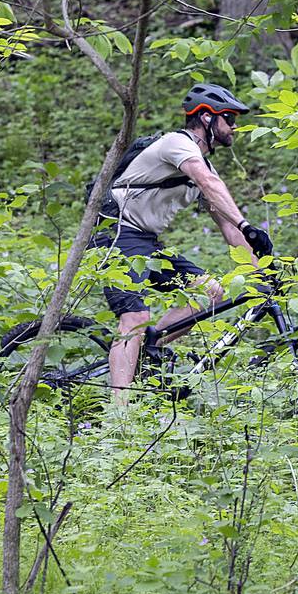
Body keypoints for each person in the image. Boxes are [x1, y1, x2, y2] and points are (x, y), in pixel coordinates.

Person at [92, 82, 273, 403]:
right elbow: (209, 183)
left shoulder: (202, 165)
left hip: (144, 240)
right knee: (135, 317)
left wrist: (261, 274)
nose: (234, 127)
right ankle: (118, 415)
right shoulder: (177, 144)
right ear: (206, 118)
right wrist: (248, 224)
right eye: (228, 118)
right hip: (115, 231)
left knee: (210, 292)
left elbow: (230, 230)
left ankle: (147, 353)